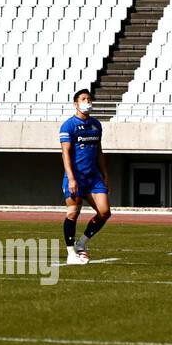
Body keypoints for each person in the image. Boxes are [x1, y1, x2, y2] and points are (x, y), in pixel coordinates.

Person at [59, 88, 111, 265]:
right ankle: (71, 252)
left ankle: (82, 243)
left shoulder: (96, 124)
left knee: (104, 212)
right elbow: (65, 153)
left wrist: (105, 175)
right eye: (83, 99)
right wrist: (71, 178)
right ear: (76, 104)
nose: (87, 102)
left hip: (93, 177)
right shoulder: (69, 126)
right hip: (76, 176)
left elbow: (99, 152)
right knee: (73, 212)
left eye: (89, 99)